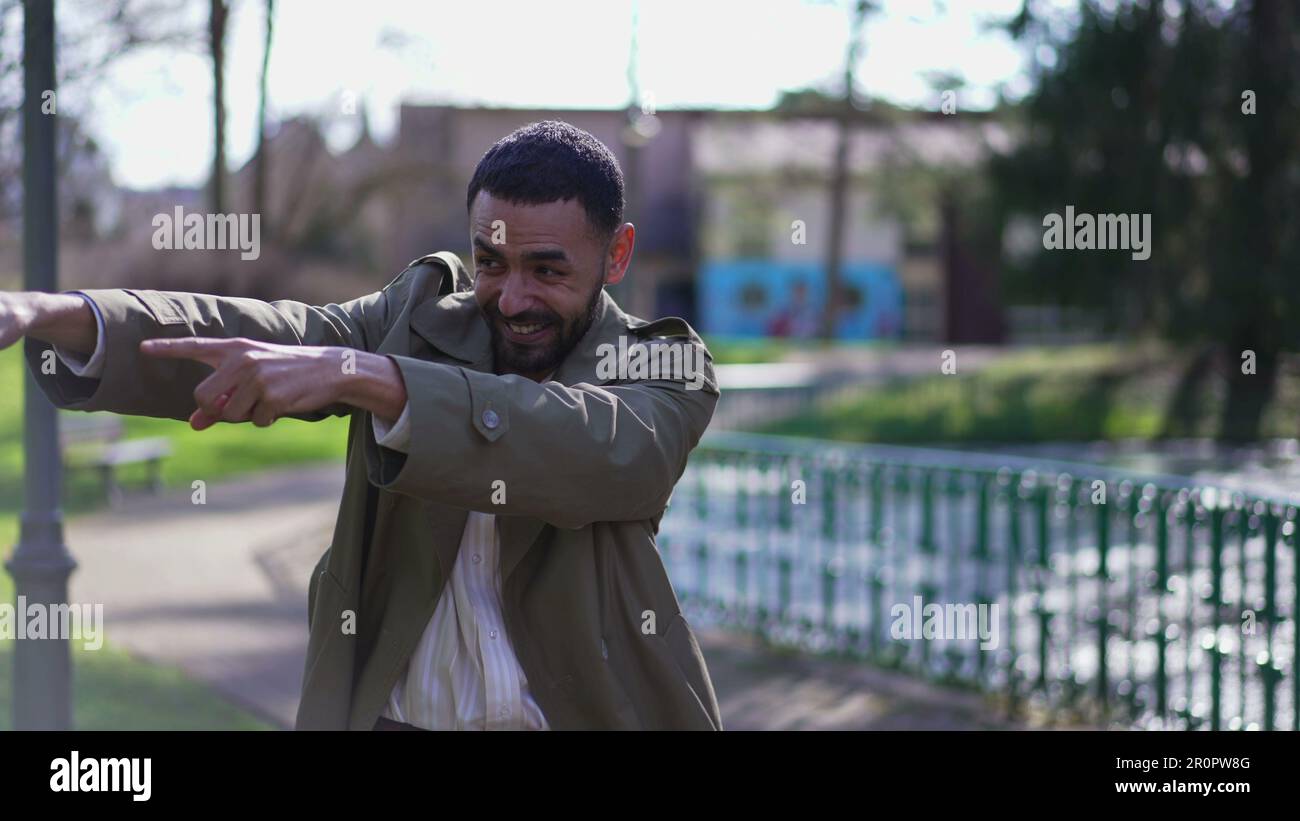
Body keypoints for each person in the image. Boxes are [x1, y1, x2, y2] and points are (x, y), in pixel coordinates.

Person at [0, 120, 722, 731]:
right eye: (490, 263)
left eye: (547, 270)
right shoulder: (418, 313)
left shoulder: (661, 362)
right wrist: (57, 314)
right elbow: (279, 334)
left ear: (617, 254)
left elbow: (601, 450)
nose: (510, 297)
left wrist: (372, 378)